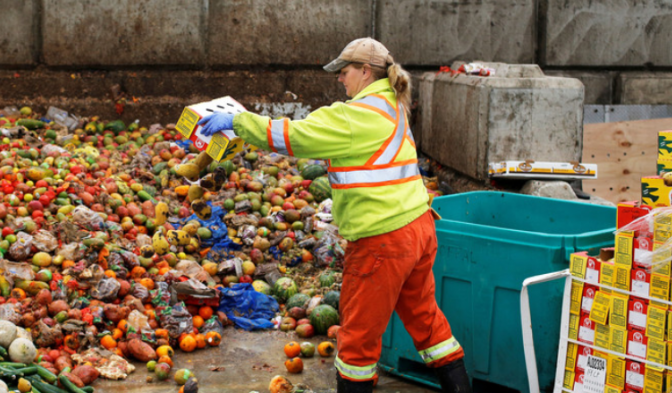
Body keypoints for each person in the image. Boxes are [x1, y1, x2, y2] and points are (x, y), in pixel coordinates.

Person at [196, 38, 471, 393]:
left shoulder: (353, 116)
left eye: (344, 72)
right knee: (425, 319)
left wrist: (237, 121)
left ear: (365, 71)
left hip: (382, 240)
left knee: (357, 338)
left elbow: (293, 136)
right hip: (418, 227)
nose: (340, 80)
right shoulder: (393, 105)